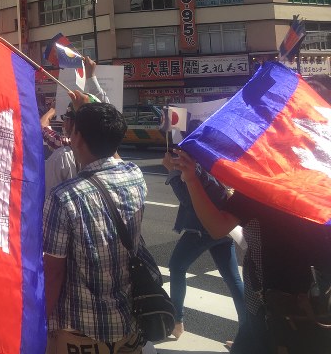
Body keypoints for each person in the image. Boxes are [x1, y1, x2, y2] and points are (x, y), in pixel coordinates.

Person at [171, 148, 331, 354]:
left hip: (271, 299)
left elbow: (217, 227)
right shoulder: (318, 185)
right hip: (315, 294)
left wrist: (191, 180)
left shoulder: (257, 190)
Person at [43, 97, 149, 354]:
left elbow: (53, 273)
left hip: (79, 329)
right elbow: (109, 150)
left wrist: (40, 321)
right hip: (127, 320)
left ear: (76, 137)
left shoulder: (64, 197)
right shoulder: (135, 176)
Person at [162, 143, 245, 340]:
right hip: (224, 228)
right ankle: (247, 330)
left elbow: (190, 201)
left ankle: (177, 321)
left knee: (177, 266)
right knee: (233, 279)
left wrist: (173, 172)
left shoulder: (200, 167)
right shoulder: (219, 158)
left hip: (203, 230)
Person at [40, 56, 108, 197]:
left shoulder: (63, 149)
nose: (63, 121)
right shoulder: (109, 148)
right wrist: (91, 76)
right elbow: (106, 111)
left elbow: (43, 126)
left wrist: (52, 110)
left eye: (65, 117)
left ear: (71, 123)